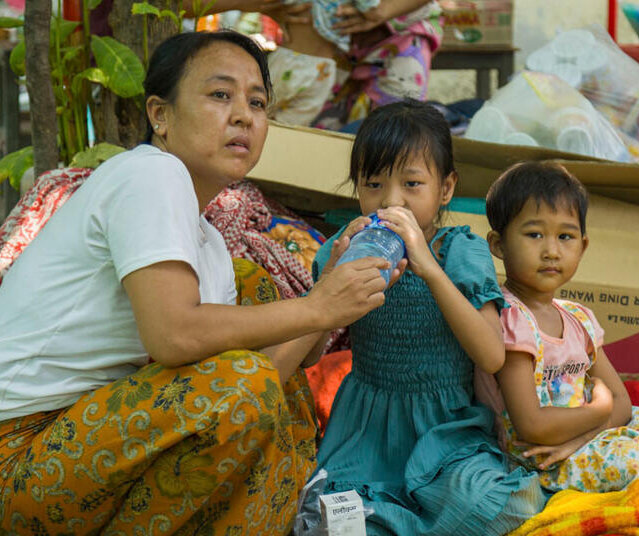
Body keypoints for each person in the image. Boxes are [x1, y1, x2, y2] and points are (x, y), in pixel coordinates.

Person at [0, 30, 393, 533]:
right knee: (244, 373)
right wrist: (318, 307)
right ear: (159, 115)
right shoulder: (150, 174)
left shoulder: (206, 240)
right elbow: (176, 336)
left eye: (257, 102)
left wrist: (336, 292)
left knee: (263, 348)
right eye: (220, 95)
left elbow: (267, 380)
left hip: (85, 448)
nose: (243, 116)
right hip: (20, 452)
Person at [303, 100, 547, 535]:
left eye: (412, 184)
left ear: (446, 189)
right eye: (373, 184)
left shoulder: (460, 251)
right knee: (333, 522)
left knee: (501, 505)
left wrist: (430, 269)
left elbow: (491, 355)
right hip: (366, 427)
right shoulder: (346, 246)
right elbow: (307, 355)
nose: (391, 202)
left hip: (447, 429)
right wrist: (330, 285)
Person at [475, 161, 639, 494]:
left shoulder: (577, 318)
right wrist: (598, 410)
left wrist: (588, 432)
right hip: (542, 459)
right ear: (498, 245)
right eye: (534, 234)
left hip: (585, 436)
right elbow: (533, 426)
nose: (552, 251)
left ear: (582, 247)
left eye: (565, 236)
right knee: (634, 463)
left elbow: (622, 402)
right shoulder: (512, 319)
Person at [261, 0, 442, 128]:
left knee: (394, 139)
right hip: (327, 53)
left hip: (399, 39)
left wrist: (383, 10)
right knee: (307, 141)